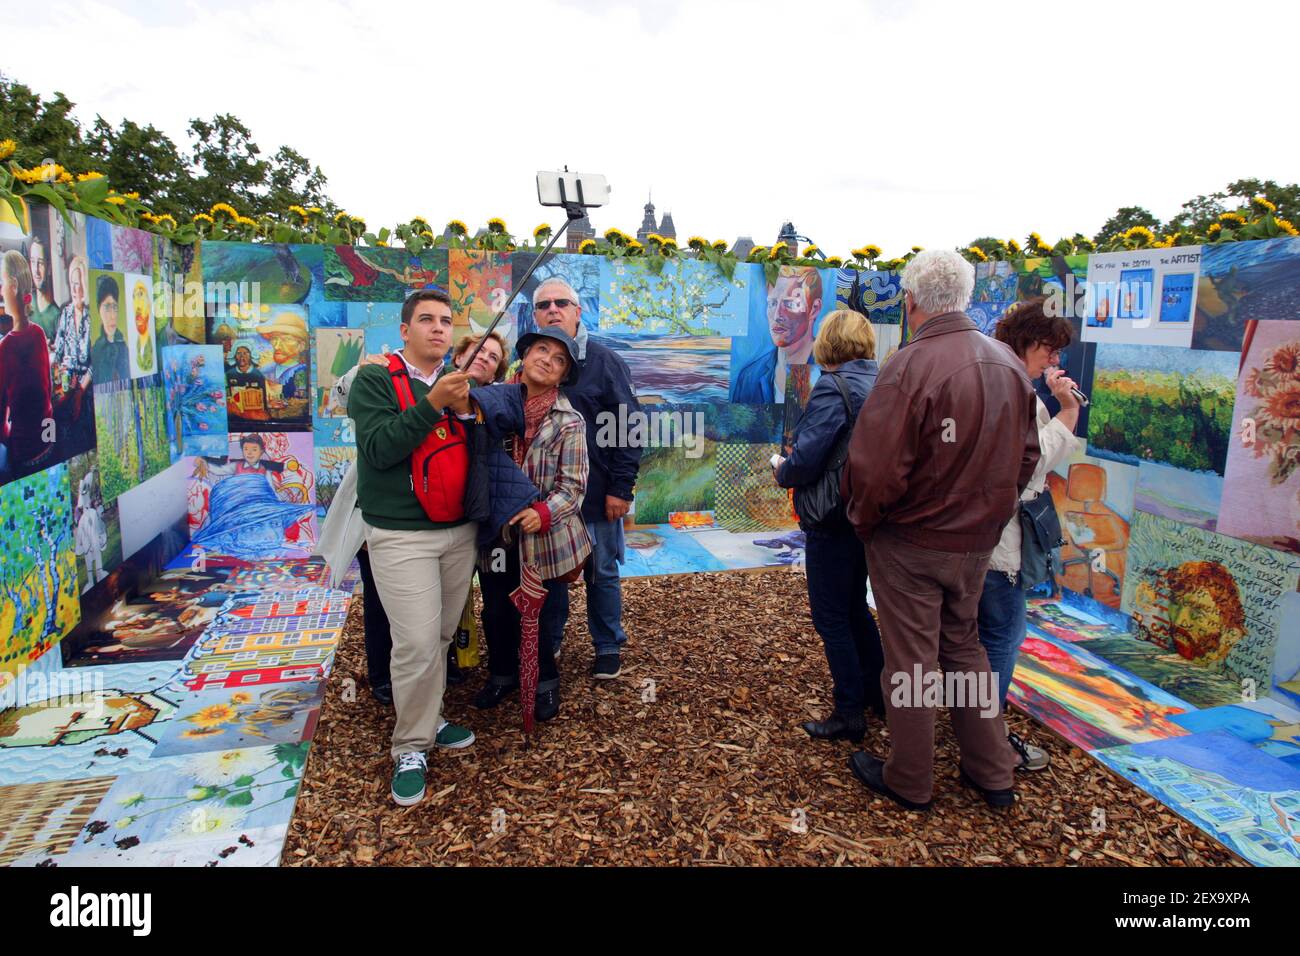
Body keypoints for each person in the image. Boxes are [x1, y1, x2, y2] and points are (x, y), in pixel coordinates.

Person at [841, 249, 1040, 812]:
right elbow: (1026, 458)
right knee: (966, 649)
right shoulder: (1006, 363)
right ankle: (992, 771)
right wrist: (991, 514)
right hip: (975, 543)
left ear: (910, 300)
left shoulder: (910, 364)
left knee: (911, 661)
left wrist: (866, 521)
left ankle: (910, 778)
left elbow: (876, 469)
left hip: (912, 540)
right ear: (966, 296)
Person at [346, 288, 478, 806]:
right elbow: (380, 449)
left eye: (446, 320)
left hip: (458, 530)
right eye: (426, 319)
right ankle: (410, 745)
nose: (439, 328)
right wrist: (434, 405)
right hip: (400, 535)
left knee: (442, 634)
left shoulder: (461, 383)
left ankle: (431, 715)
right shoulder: (374, 378)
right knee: (417, 644)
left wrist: (469, 413)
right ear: (404, 330)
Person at [773, 310, 884, 742]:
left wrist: (783, 471)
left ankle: (849, 711)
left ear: (830, 343)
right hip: (868, 516)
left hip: (831, 518)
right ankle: (880, 697)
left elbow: (806, 460)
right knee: (857, 608)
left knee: (831, 616)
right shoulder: (880, 382)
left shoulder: (831, 388)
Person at [981, 296, 1082, 771]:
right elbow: (1034, 460)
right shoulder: (1017, 389)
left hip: (971, 536)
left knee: (980, 635)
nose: (1055, 360)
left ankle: (975, 727)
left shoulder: (991, 375)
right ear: (1029, 341)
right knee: (1002, 635)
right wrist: (1066, 408)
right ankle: (988, 740)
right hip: (997, 545)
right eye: (1051, 349)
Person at [473, 327, 589, 725]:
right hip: (496, 532)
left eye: (559, 360)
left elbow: (573, 488)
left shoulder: (569, 421)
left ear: (562, 375)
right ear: (525, 355)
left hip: (544, 539)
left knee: (538, 613)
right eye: (542, 350)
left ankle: (545, 682)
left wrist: (541, 512)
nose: (548, 361)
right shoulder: (490, 403)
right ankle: (502, 674)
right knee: (495, 609)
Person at [530, 277, 642, 679]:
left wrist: (620, 488)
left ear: (578, 312)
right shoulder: (528, 362)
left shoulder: (604, 361)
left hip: (597, 495)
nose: (553, 310)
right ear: (535, 315)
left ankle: (608, 643)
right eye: (544, 305)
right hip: (547, 500)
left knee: (602, 572)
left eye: (562, 303)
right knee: (553, 576)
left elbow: (629, 426)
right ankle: (552, 641)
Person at [0, 250, 55, 478]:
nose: (1, 290)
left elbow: (1, 422)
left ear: (13, 286)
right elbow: (48, 389)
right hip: (50, 443)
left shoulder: (5, 348)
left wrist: (13, 435)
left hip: (25, 454)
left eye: (2, 283)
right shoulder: (39, 333)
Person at [730, 269, 822, 403]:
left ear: (814, 308)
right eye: (772, 303)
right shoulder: (749, 377)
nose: (777, 315)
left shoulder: (828, 371)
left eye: (789, 303)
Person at [51, 255, 93, 419]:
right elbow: (58, 353)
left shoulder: (92, 318)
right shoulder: (65, 314)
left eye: (78, 284)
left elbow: (94, 362)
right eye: (72, 284)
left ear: (85, 285)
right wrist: (58, 381)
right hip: (66, 384)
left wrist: (80, 390)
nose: (74, 290)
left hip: (86, 388)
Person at [90, 273, 130, 384]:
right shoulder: (96, 350)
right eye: (107, 308)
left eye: (115, 307)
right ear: (99, 310)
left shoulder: (124, 347)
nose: (112, 315)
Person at [27, 235, 60, 339]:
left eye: (40, 263)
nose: (36, 270)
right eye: (33, 262)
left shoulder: (57, 315)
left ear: (49, 267)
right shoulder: (27, 303)